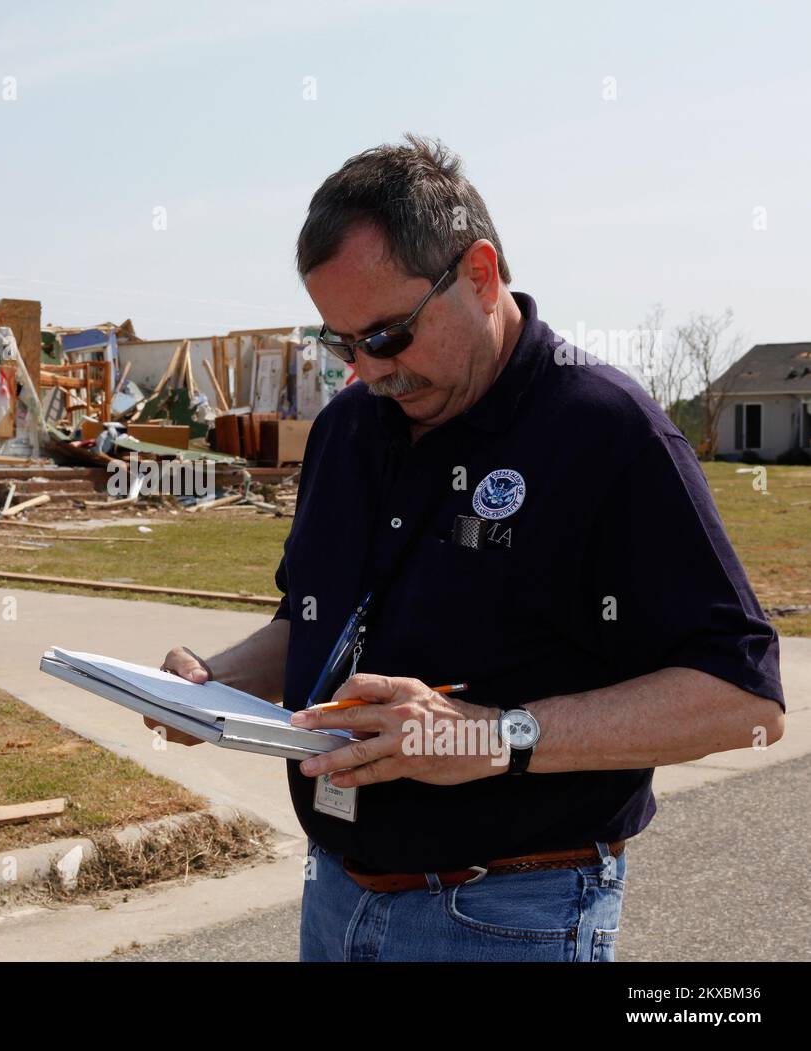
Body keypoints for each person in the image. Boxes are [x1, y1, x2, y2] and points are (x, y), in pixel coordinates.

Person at [148, 135, 785, 962]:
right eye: (341, 342)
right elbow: (315, 623)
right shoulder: (347, 429)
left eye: (387, 334)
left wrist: (488, 736)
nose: (369, 369)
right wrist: (217, 684)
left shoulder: (608, 433)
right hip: (334, 893)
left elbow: (746, 702)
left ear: (479, 275)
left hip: (511, 912)